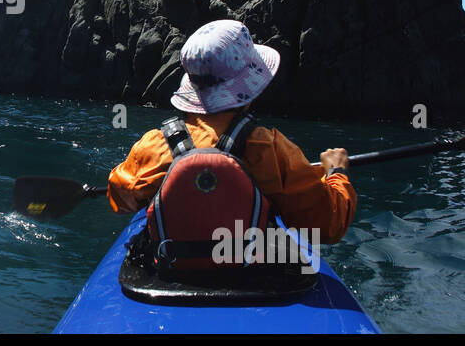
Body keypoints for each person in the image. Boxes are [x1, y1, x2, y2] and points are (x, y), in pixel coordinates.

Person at [108, 20, 356, 247]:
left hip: (171, 272)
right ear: (249, 88)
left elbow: (120, 198)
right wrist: (336, 174)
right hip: (250, 274)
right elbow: (328, 226)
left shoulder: (155, 144)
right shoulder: (269, 148)